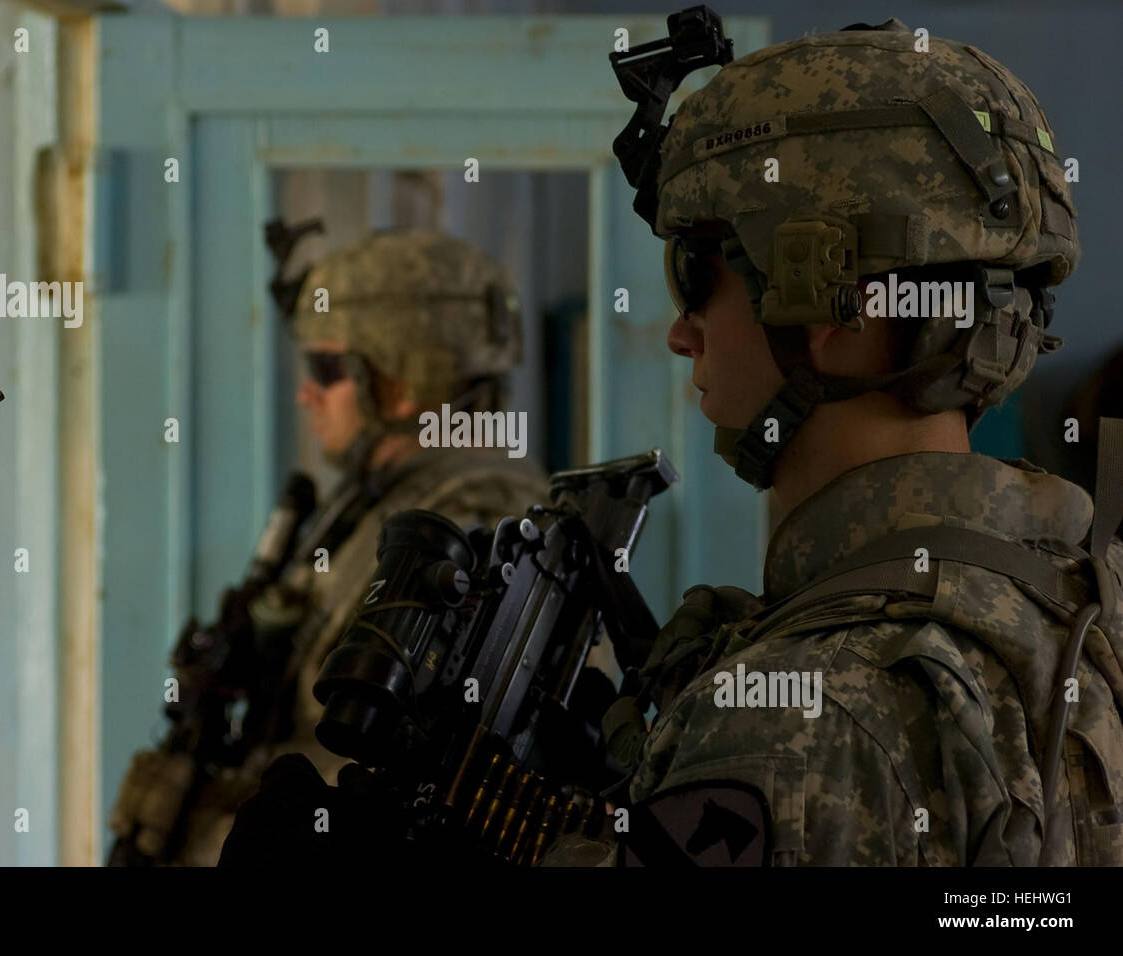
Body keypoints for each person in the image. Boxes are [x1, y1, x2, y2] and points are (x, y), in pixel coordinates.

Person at [577, 13, 1123, 866]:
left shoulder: (792, 720)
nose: (682, 332)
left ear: (839, 306)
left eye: (697, 271)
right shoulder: (1083, 613)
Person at [109, 229, 548, 866]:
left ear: (404, 373)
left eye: (326, 367)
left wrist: (209, 828)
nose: (305, 393)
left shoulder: (470, 523)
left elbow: (399, 793)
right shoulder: (379, 500)